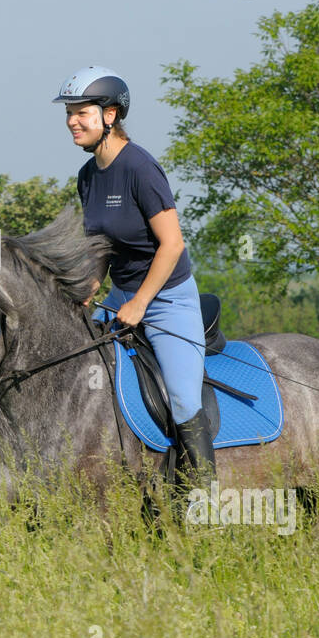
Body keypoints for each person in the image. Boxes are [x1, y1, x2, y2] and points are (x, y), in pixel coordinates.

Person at [53, 66, 216, 483]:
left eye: (81, 112)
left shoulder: (141, 168)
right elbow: (102, 248)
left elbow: (173, 244)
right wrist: (86, 292)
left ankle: (203, 495)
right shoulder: (87, 177)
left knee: (182, 399)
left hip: (166, 301)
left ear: (110, 116)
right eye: (69, 112)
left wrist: (141, 303)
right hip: (121, 297)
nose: (72, 120)